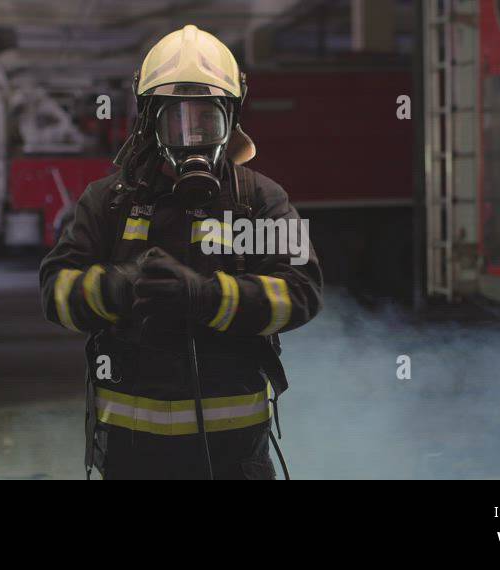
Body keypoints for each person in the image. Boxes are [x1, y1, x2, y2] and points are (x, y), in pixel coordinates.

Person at [39, 24, 323, 480]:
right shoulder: (108, 201)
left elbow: (302, 293)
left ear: (230, 118)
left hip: (235, 458)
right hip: (132, 458)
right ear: (151, 122)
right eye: (177, 120)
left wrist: (206, 297)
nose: (193, 137)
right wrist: (118, 289)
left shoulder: (260, 201)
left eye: (206, 120)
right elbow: (55, 293)